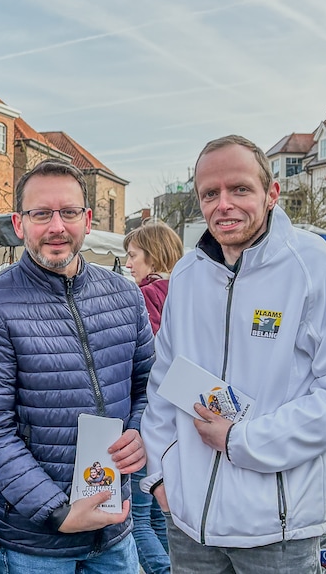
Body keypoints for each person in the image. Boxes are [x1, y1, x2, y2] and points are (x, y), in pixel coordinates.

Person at [140, 135, 326, 573]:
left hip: (276, 532)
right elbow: (164, 381)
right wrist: (161, 475)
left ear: (271, 194)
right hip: (189, 525)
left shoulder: (317, 268)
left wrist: (243, 441)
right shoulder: (187, 275)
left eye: (240, 189)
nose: (223, 204)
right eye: (210, 194)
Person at [0, 159, 152, 572]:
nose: (56, 227)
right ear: (19, 223)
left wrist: (140, 430)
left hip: (114, 530)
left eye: (68, 212)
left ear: (87, 219)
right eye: (41, 214)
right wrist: (57, 512)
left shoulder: (125, 295)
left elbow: (147, 387)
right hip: (33, 543)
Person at [123, 220, 183, 574]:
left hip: (149, 416)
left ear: (153, 255)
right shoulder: (190, 291)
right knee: (162, 517)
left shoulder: (146, 296)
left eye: (133, 255)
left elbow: (144, 363)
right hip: (181, 421)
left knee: (138, 520)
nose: (128, 263)